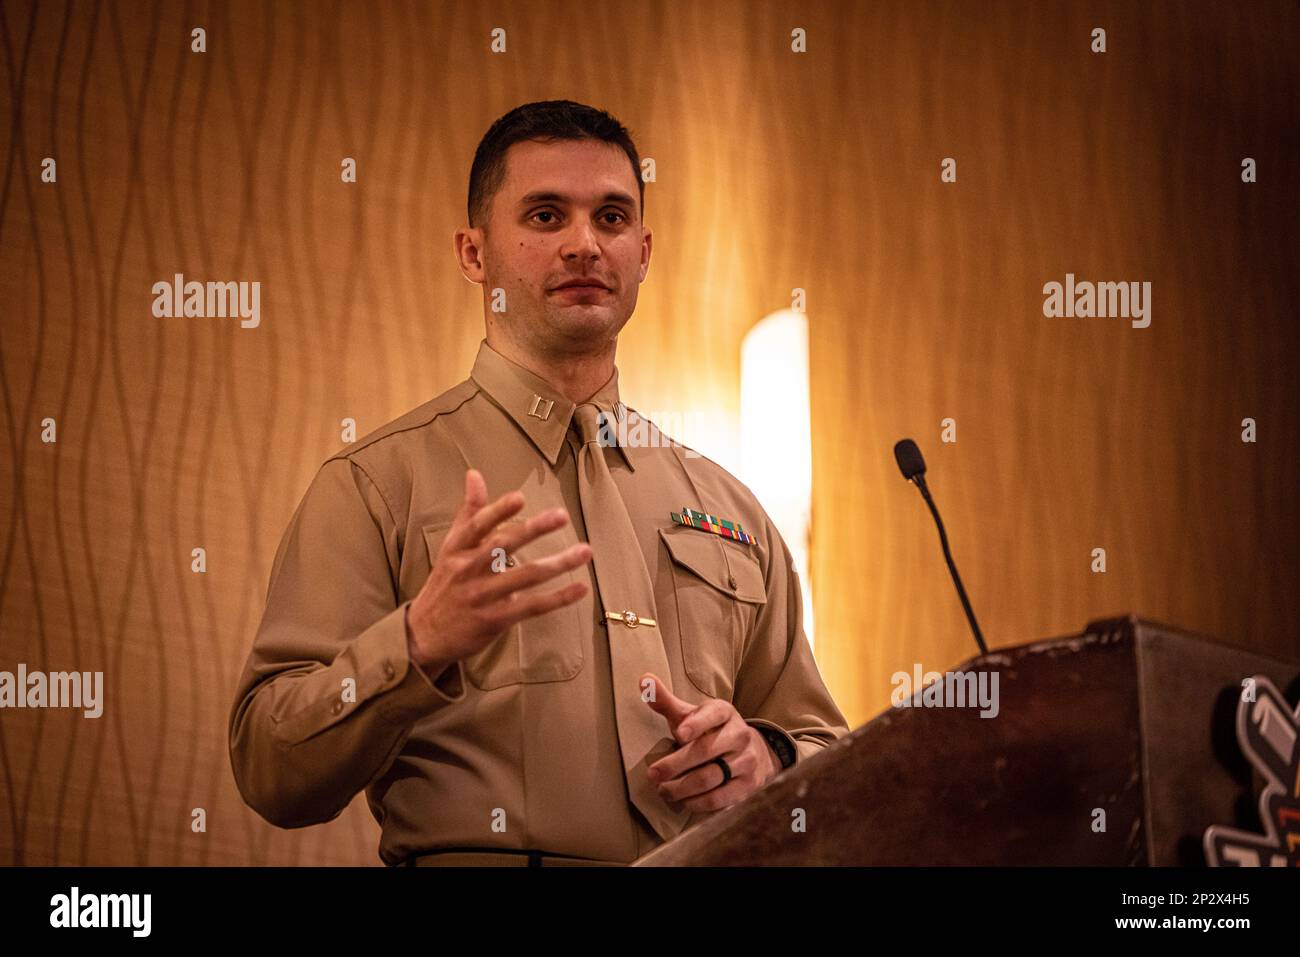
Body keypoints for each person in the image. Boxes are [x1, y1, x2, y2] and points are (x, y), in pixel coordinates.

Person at [228, 99, 849, 866]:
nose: (585, 244)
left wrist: (769, 757)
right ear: (473, 253)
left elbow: (837, 755)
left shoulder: (734, 507)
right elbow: (267, 762)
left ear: (645, 252)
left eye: (613, 218)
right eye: (547, 216)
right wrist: (417, 642)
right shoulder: (375, 483)